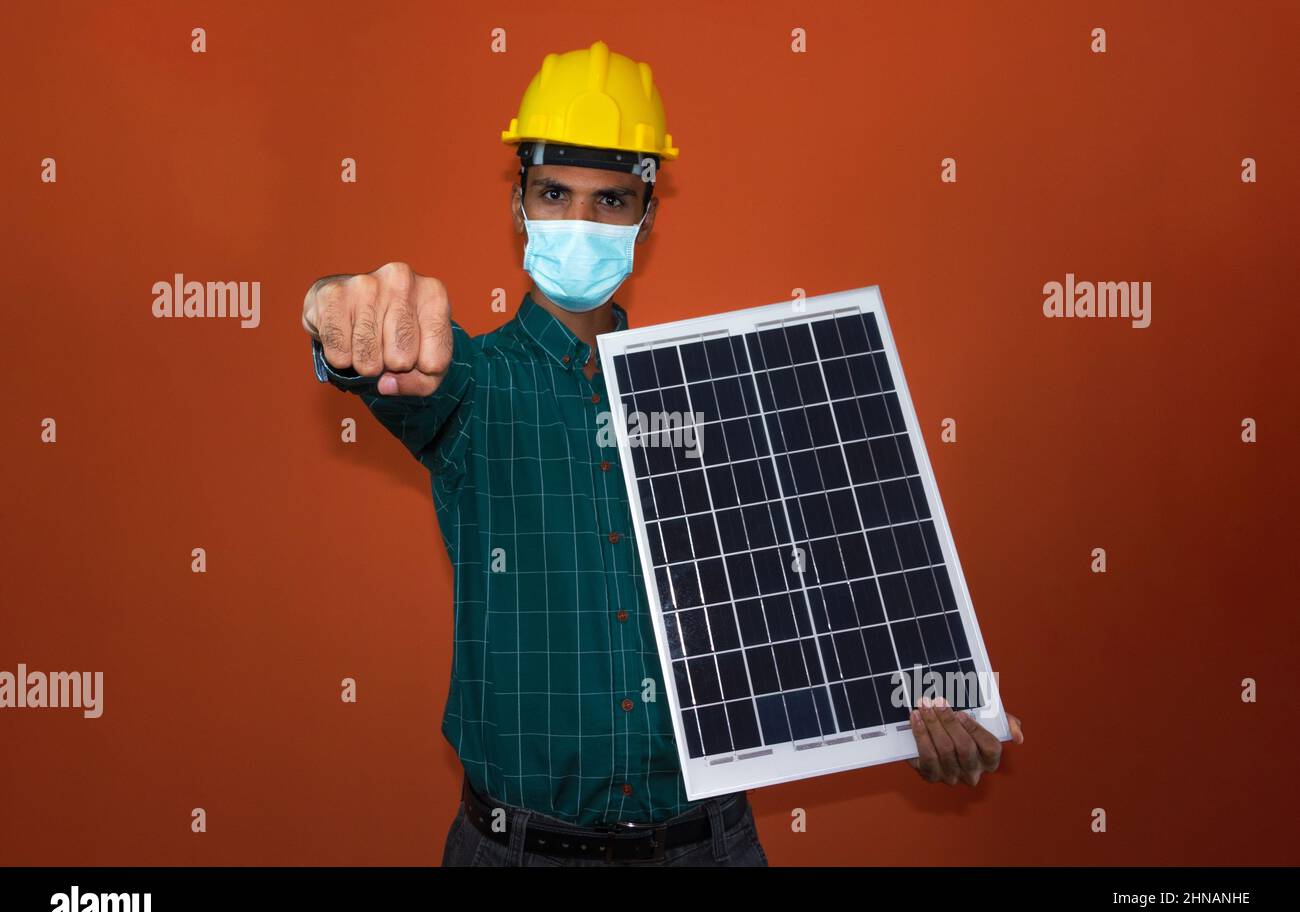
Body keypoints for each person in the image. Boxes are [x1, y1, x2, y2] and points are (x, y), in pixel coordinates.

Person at [301, 40, 1023, 867]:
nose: (580, 222)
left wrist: (945, 706)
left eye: (611, 198)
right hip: (517, 853)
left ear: (646, 216)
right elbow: (376, 346)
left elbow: (824, 594)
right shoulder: (475, 385)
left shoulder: (719, 399)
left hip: (707, 848)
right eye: (554, 193)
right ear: (519, 207)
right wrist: (335, 306)